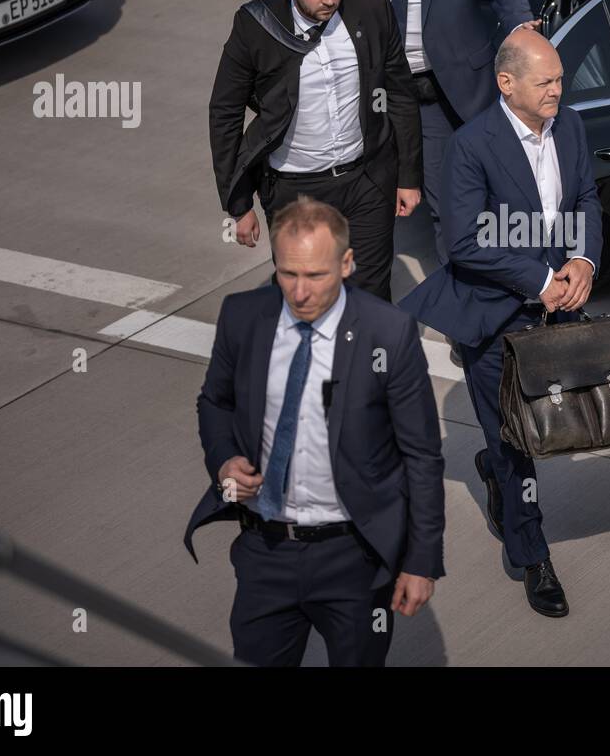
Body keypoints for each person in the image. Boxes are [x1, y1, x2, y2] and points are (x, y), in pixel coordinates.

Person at [185, 196, 445, 665]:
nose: (299, 292)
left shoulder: (388, 333)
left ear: (346, 263)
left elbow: (422, 455)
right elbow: (214, 402)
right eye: (288, 273)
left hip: (355, 559)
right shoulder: (242, 317)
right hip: (266, 551)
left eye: (315, 276)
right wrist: (223, 459)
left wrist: (420, 561)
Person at [400, 29, 601, 617]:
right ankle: (533, 554)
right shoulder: (471, 145)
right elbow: (463, 242)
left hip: (559, 302)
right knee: (514, 442)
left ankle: (493, 475)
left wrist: (583, 260)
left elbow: (587, 196)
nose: (558, 91)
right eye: (546, 82)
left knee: (553, 424)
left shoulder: (571, 126)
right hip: (493, 315)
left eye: (561, 78)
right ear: (506, 83)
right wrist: (540, 280)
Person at [333, 0, 538, 271]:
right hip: (375, 91)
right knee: (364, 207)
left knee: (454, 210)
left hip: (440, 94)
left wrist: (521, 23)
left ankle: (462, 314)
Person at [208, 0, 421, 300]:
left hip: (367, 181)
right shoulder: (255, 26)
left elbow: (401, 94)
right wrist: (238, 203)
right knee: (308, 295)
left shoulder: (372, 10)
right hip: (295, 189)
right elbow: (224, 112)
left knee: (370, 292)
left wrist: (408, 176)